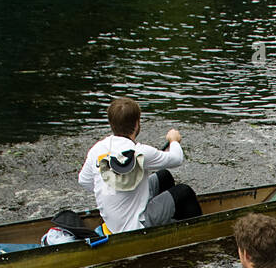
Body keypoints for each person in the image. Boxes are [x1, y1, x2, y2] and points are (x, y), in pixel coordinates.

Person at [78, 96, 201, 233]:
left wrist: (112, 193)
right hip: (135, 225)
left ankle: (167, 222)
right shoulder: (140, 152)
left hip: (112, 222)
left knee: (164, 176)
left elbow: (84, 181)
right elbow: (177, 158)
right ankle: (197, 233)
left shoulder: (97, 149)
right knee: (184, 191)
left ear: (111, 123)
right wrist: (174, 140)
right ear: (137, 124)